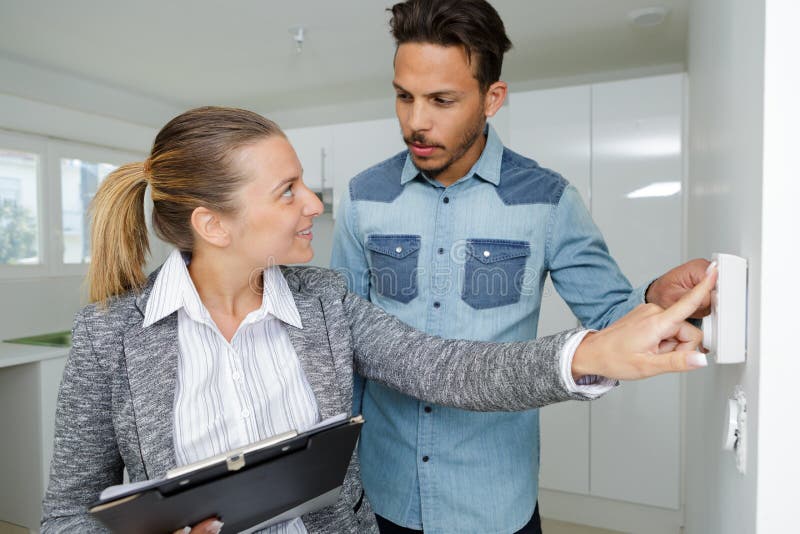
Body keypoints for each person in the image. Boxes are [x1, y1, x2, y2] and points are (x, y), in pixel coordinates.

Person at [41, 107, 713, 534]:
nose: (313, 201)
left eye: (303, 181)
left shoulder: (325, 301)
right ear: (213, 225)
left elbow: (448, 368)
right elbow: (67, 513)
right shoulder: (110, 336)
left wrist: (590, 354)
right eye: (287, 191)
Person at [329, 1, 712, 533]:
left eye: (442, 100)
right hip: (384, 491)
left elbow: (609, 314)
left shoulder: (550, 201)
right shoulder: (361, 198)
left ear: (492, 98)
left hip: (493, 501)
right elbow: (338, 343)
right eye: (403, 96)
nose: (416, 122)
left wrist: (655, 299)